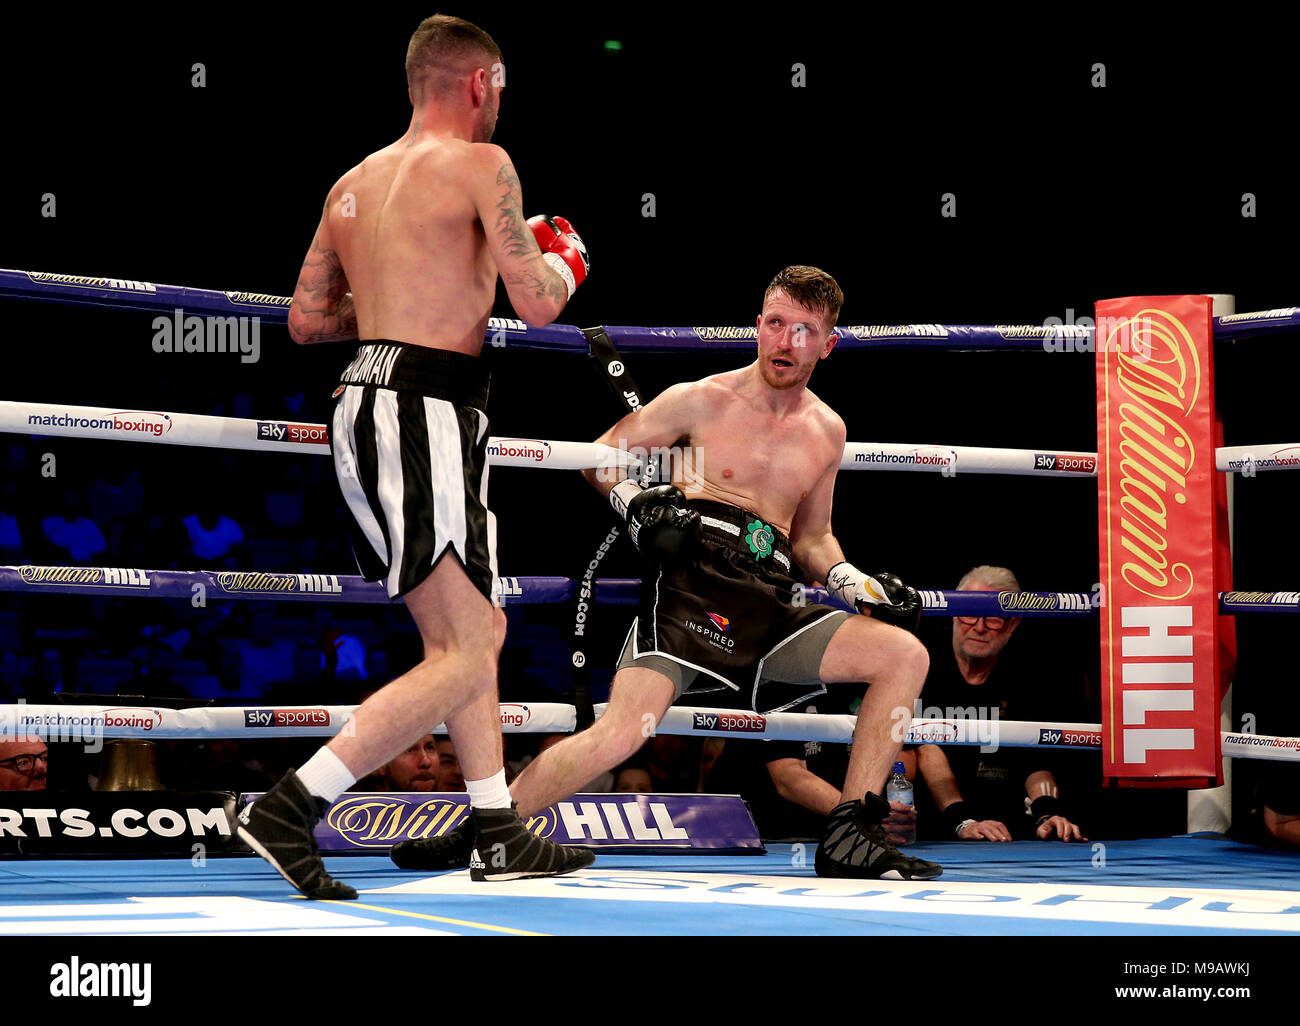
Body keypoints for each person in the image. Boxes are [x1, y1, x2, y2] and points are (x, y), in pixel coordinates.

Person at [393, 265, 941, 880]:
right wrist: (638, 504)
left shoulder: (827, 430)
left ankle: (850, 835)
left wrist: (857, 585)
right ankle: (488, 831)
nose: (786, 342)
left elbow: (812, 536)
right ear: (758, 325)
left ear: (828, 342)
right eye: (777, 324)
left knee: (902, 654)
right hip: (692, 591)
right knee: (620, 733)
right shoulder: (700, 399)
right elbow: (602, 460)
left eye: (805, 331)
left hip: (772, 601)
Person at [237, 14, 594, 899]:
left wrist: (402, 300)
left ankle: (496, 825)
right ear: (480, 83)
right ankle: (289, 804)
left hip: (372, 398)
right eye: (502, 87)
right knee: (475, 646)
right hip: (422, 406)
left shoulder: (351, 184)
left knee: (461, 635)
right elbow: (539, 304)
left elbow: (308, 321)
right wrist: (568, 261)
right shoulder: (484, 165)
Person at [915, 565, 1088, 842]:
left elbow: (1035, 752)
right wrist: (962, 821)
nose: (980, 627)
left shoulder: (1030, 672)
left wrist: (1048, 811)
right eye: (970, 612)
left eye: (993, 618)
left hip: (1007, 832)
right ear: (953, 612)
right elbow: (925, 748)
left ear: (1013, 622)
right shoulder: (921, 660)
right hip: (934, 829)